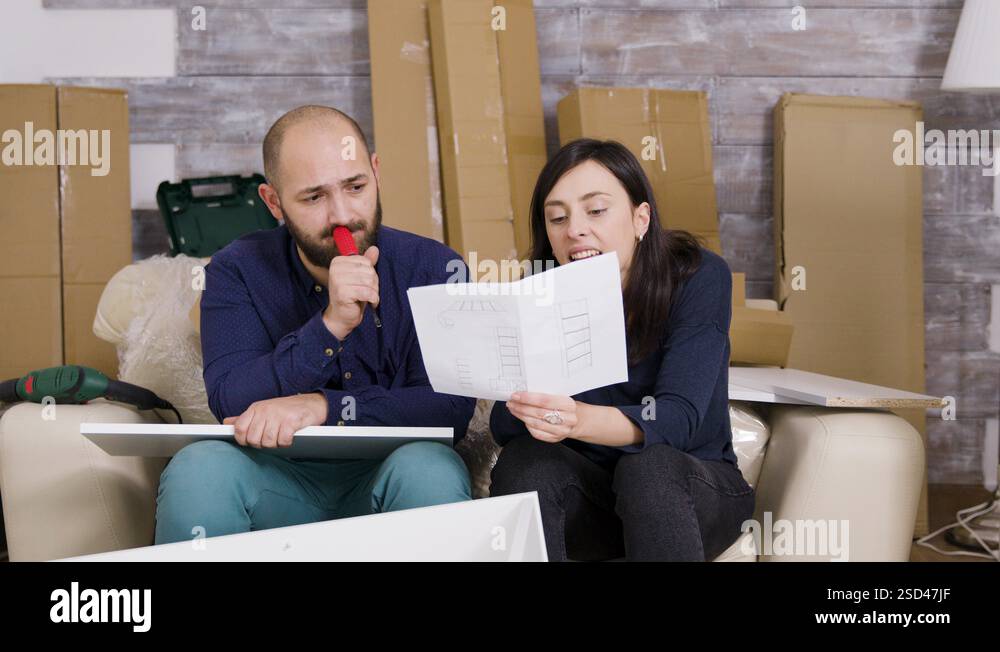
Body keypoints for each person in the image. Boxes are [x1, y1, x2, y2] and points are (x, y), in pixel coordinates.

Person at [154, 106, 474, 545]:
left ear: (376, 173)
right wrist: (330, 326)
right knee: (200, 468)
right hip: (276, 478)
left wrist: (324, 407)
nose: (342, 215)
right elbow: (230, 398)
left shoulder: (437, 267)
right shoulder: (235, 270)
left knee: (430, 469)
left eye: (356, 186)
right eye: (313, 197)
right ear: (273, 202)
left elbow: (449, 412)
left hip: (391, 473)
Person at [489, 138, 754, 561]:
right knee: (526, 460)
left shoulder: (699, 277)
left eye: (595, 210)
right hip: (595, 500)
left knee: (647, 468)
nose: (574, 229)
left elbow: (678, 420)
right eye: (557, 218)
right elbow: (505, 426)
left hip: (691, 489)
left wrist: (576, 419)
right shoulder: (542, 292)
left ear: (640, 218)